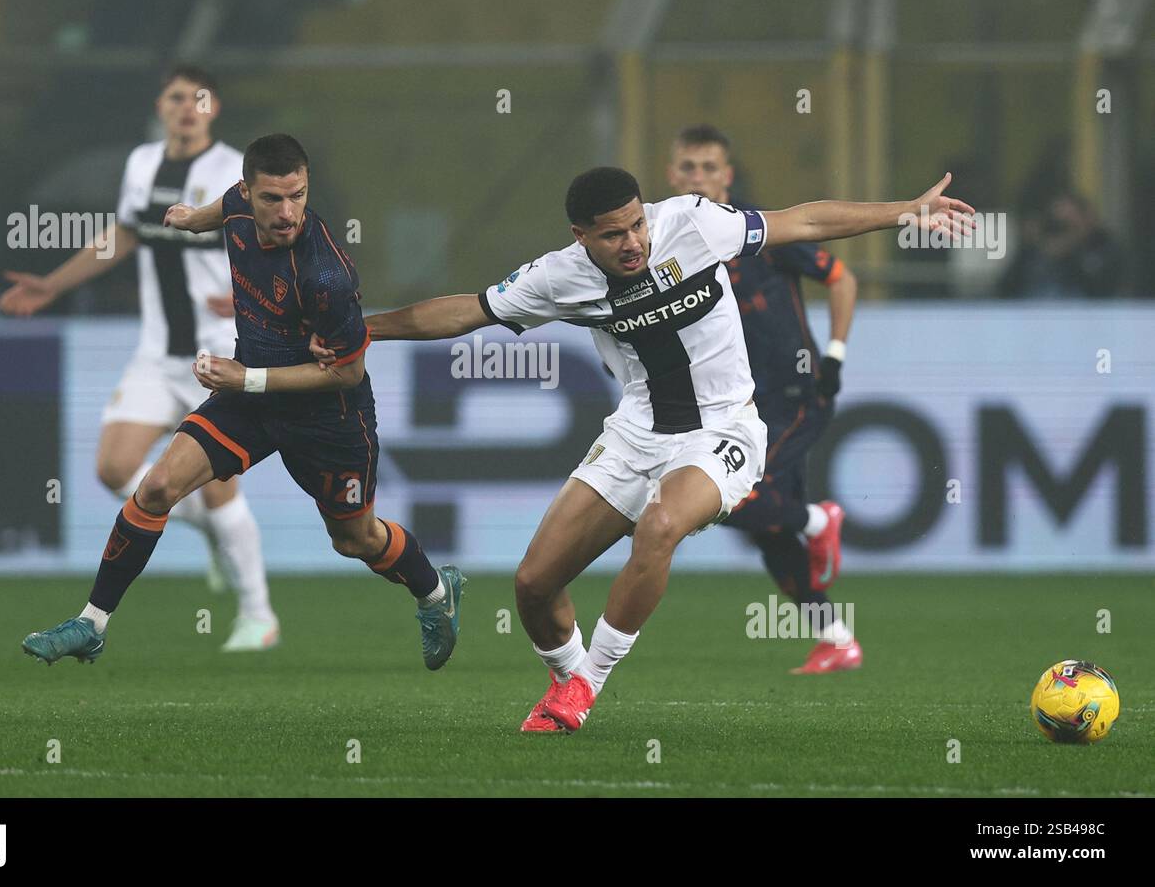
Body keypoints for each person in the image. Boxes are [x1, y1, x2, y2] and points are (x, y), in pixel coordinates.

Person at [310, 164, 972, 731]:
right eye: (611, 234)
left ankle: (586, 686)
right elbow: (461, 312)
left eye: (635, 226)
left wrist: (903, 212)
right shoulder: (558, 277)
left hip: (724, 430)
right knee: (534, 585)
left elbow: (803, 220)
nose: (631, 243)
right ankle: (569, 680)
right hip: (636, 432)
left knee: (659, 528)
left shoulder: (693, 223)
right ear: (581, 237)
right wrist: (361, 333)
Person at [19, 133, 463, 671]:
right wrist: (187, 219)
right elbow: (220, 209)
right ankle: (92, 623)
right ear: (248, 193)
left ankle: (436, 591)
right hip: (252, 401)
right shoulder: (234, 205)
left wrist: (246, 378)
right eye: (272, 198)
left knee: (355, 539)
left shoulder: (326, 275)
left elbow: (347, 372)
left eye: (297, 196)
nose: (286, 211)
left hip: (329, 420)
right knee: (157, 487)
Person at [0, 66, 279, 651]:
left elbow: (274, 239)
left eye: (197, 98)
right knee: (112, 467)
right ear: (161, 105)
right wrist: (52, 286)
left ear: (214, 108)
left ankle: (258, 615)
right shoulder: (142, 164)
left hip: (219, 351)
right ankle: (209, 528)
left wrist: (251, 292)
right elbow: (123, 236)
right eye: (176, 97)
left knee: (219, 482)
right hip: (157, 354)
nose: (186, 108)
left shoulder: (233, 170)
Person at [666, 124, 861, 674]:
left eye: (708, 168)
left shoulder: (758, 232)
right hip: (734, 408)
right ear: (670, 174)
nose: (697, 178)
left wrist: (836, 355)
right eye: (687, 167)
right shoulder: (668, 243)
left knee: (728, 501)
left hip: (796, 393)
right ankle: (837, 639)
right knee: (770, 531)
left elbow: (841, 277)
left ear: (727, 176)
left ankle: (819, 522)